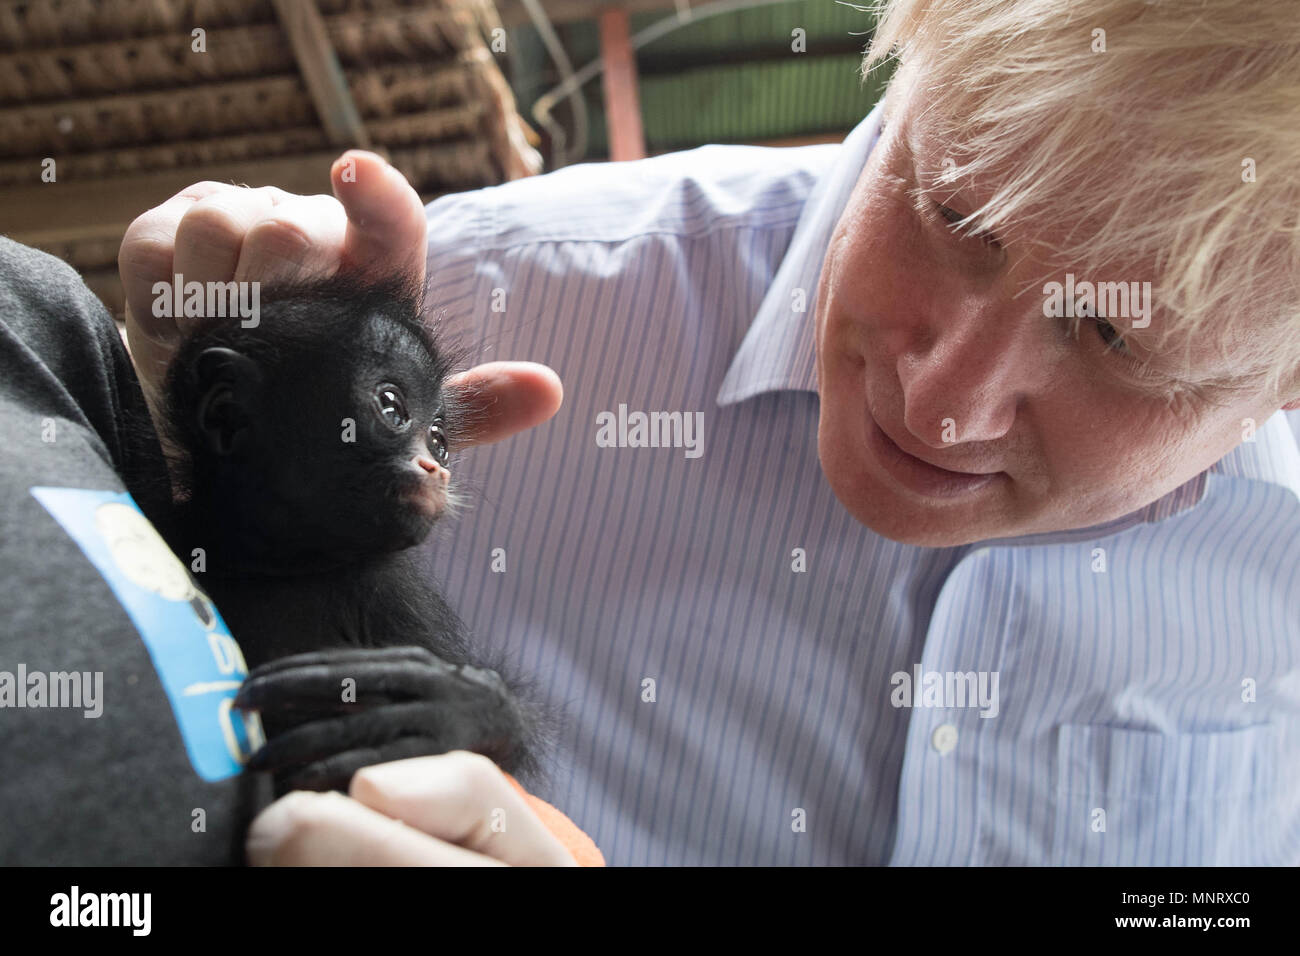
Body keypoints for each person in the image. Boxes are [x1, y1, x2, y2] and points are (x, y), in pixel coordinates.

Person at [10, 0, 1300, 864]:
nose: (944, 398)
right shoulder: (468, 310)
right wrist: (169, 459)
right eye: (955, 212)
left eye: (1124, 339)